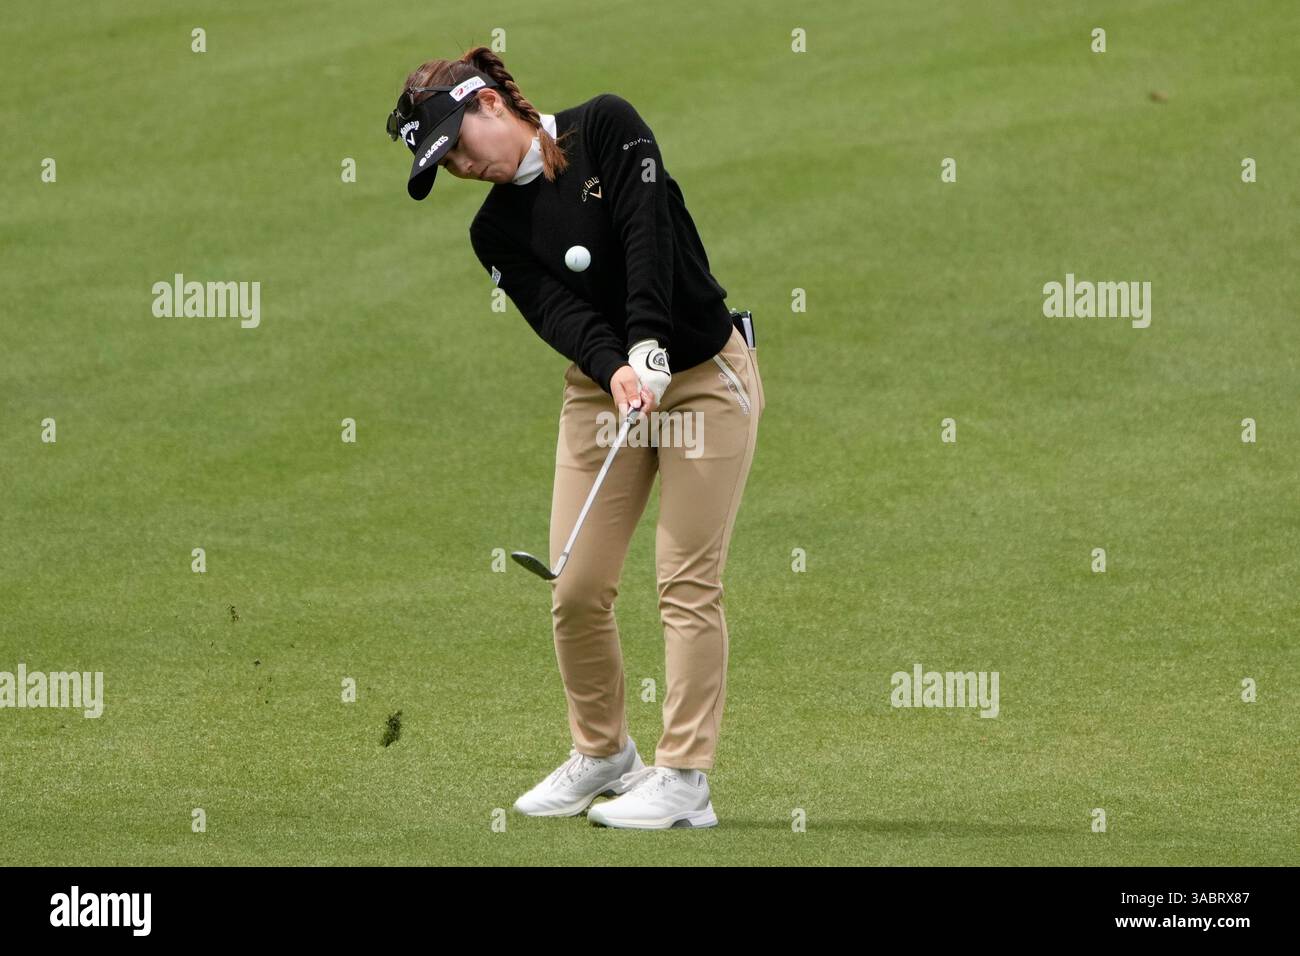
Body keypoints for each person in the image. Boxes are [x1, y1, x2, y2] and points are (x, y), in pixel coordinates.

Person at [387, 46, 764, 829]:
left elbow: (648, 235)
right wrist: (616, 367)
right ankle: (604, 754)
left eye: (457, 143)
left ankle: (686, 779)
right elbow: (559, 314)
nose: (461, 165)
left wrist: (652, 345)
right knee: (577, 587)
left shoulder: (608, 128)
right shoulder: (494, 233)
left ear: (491, 103)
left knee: (685, 580)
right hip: (603, 394)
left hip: (701, 370)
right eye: (444, 161)